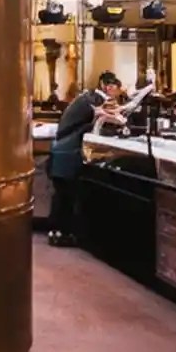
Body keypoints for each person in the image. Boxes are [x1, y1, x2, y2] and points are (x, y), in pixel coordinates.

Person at [46, 71, 124, 248]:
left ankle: (59, 233)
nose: (117, 94)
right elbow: (105, 116)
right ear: (108, 86)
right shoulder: (95, 98)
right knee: (66, 196)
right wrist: (120, 118)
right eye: (116, 89)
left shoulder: (88, 97)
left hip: (61, 152)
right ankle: (62, 233)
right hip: (66, 154)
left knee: (63, 196)